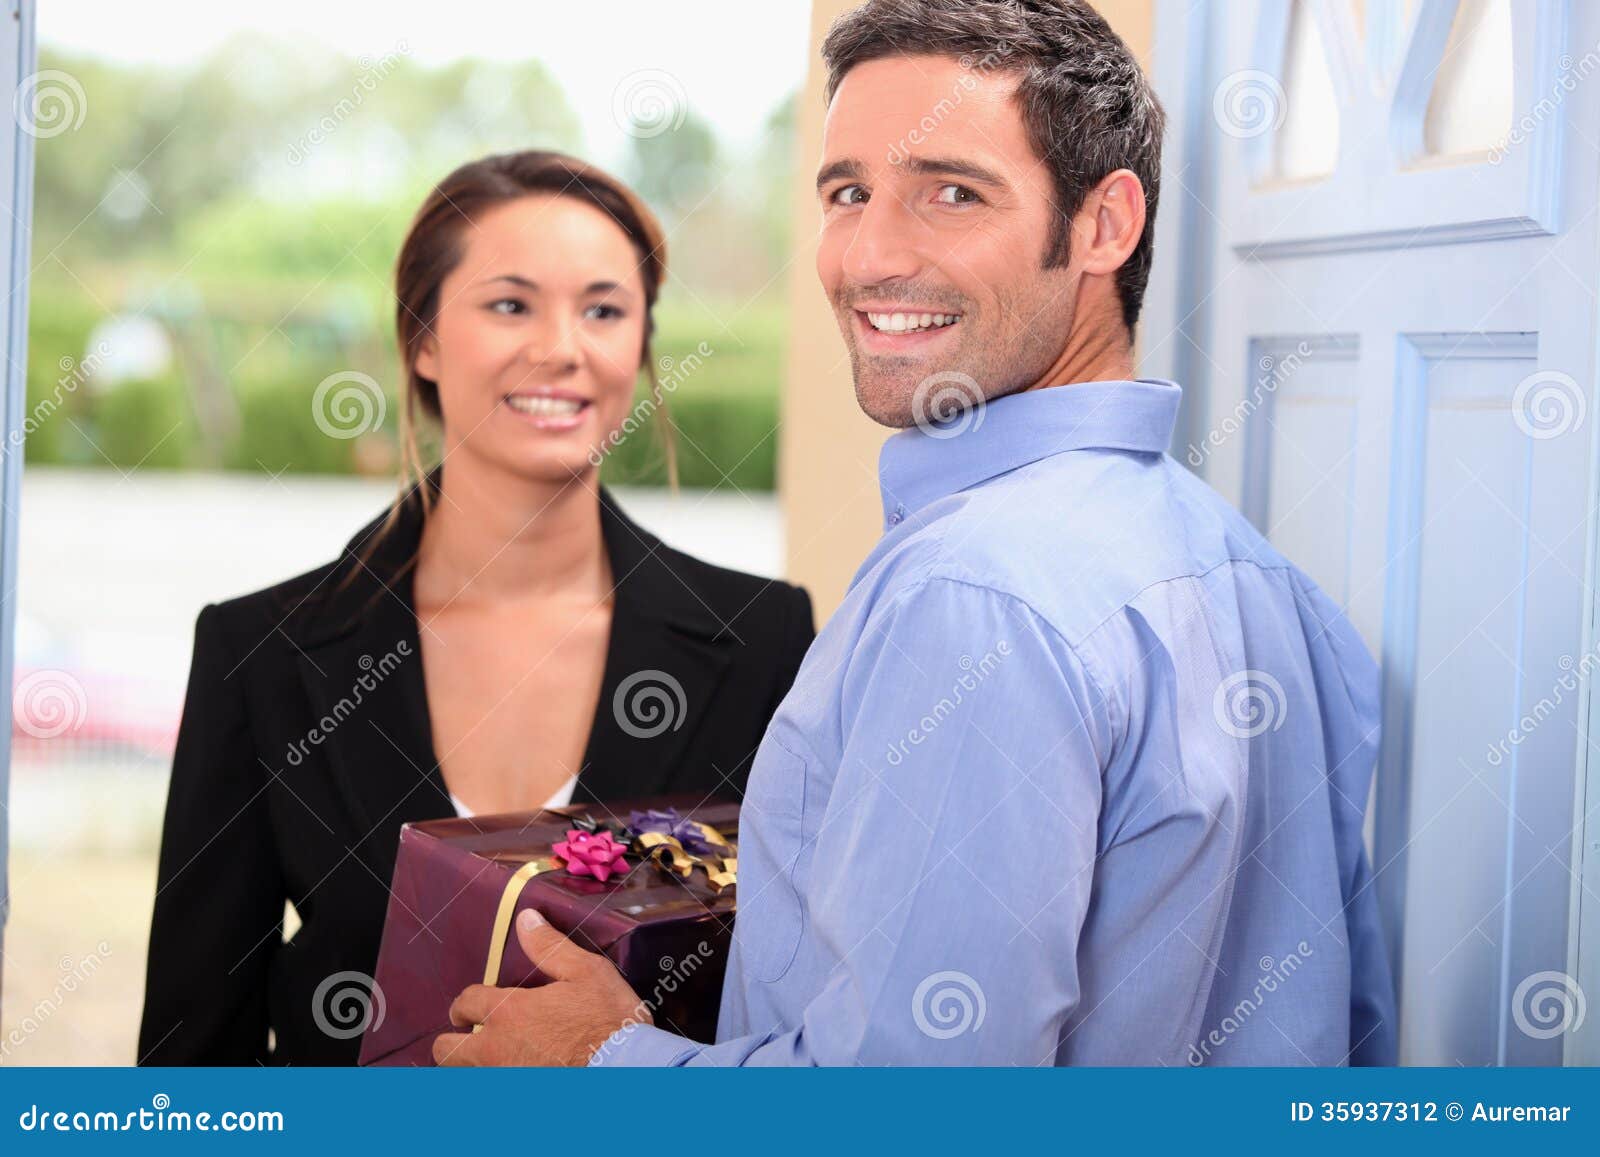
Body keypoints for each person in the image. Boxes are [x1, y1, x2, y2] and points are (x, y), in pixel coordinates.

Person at [430, 0, 1397, 1067]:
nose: (869, 253)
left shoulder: (972, 595)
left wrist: (602, 1059)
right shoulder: (1257, 574)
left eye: (950, 191)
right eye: (847, 192)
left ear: (1103, 224)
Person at [138, 151, 814, 1066]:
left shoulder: (764, 639)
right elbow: (191, 1060)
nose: (563, 347)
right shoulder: (263, 651)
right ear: (421, 338)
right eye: (510, 304)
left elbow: (794, 1008)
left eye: (605, 310)